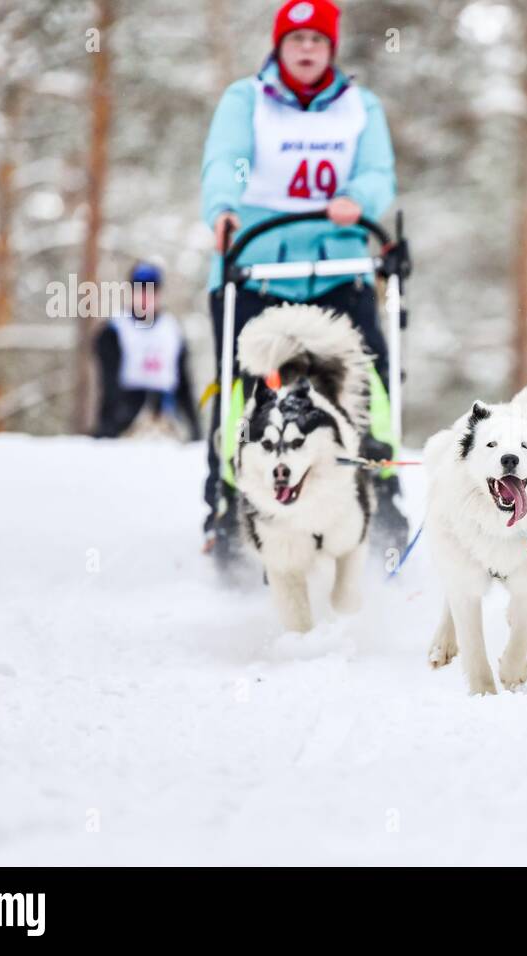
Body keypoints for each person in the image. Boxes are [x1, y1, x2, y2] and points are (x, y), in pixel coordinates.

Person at [199, 0, 404, 555]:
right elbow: (226, 160)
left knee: (372, 382)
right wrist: (223, 207)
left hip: (338, 265)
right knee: (244, 389)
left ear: (331, 48)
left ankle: (380, 487)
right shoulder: (247, 100)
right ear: (280, 46)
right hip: (254, 265)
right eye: (296, 40)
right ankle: (231, 500)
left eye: (317, 39)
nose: (307, 49)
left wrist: (357, 199)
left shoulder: (362, 106)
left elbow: (377, 171)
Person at [94, 261, 200, 441]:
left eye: (151, 290)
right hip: (126, 418)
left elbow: (184, 384)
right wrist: (110, 425)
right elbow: (108, 384)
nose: (145, 296)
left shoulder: (172, 330)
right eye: (140, 290)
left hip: (166, 418)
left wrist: (194, 426)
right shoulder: (114, 330)